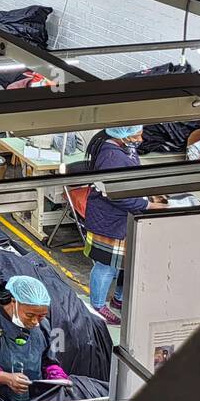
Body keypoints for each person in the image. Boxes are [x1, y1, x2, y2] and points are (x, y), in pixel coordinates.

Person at [83, 126, 168, 324]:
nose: (141, 137)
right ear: (124, 134)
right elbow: (116, 195)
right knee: (106, 266)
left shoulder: (125, 149)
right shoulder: (111, 156)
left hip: (123, 218)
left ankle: (119, 299)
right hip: (109, 219)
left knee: (126, 263)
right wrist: (149, 205)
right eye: (137, 134)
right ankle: (98, 305)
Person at [0, 274, 70, 401]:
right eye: (29, 315)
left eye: (41, 316)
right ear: (14, 302)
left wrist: (58, 378)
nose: (35, 322)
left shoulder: (43, 326)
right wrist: (4, 377)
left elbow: (49, 361)